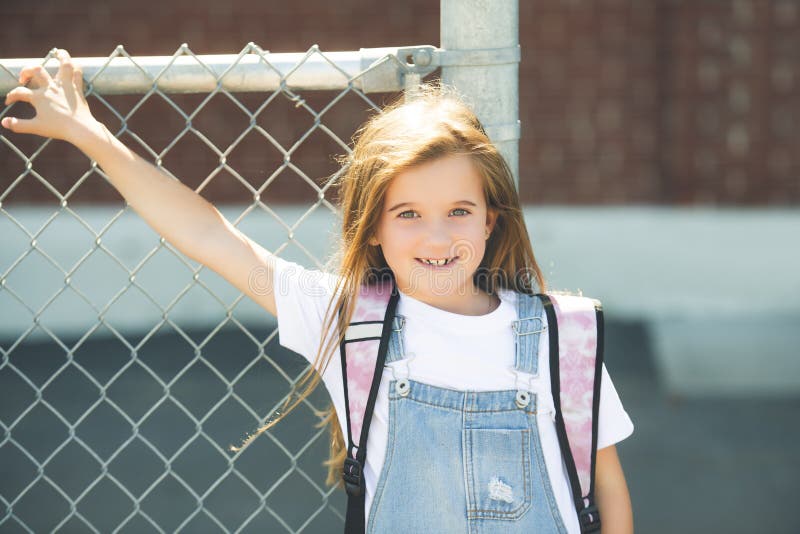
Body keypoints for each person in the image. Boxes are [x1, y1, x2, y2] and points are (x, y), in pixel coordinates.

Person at [3, 49, 634, 533]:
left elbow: (604, 483)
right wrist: (88, 133)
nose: (437, 236)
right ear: (375, 230)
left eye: (459, 211)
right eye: (408, 214)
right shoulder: (346, 320)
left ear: (490, 219)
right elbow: (208, 234)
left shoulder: (562, 336)